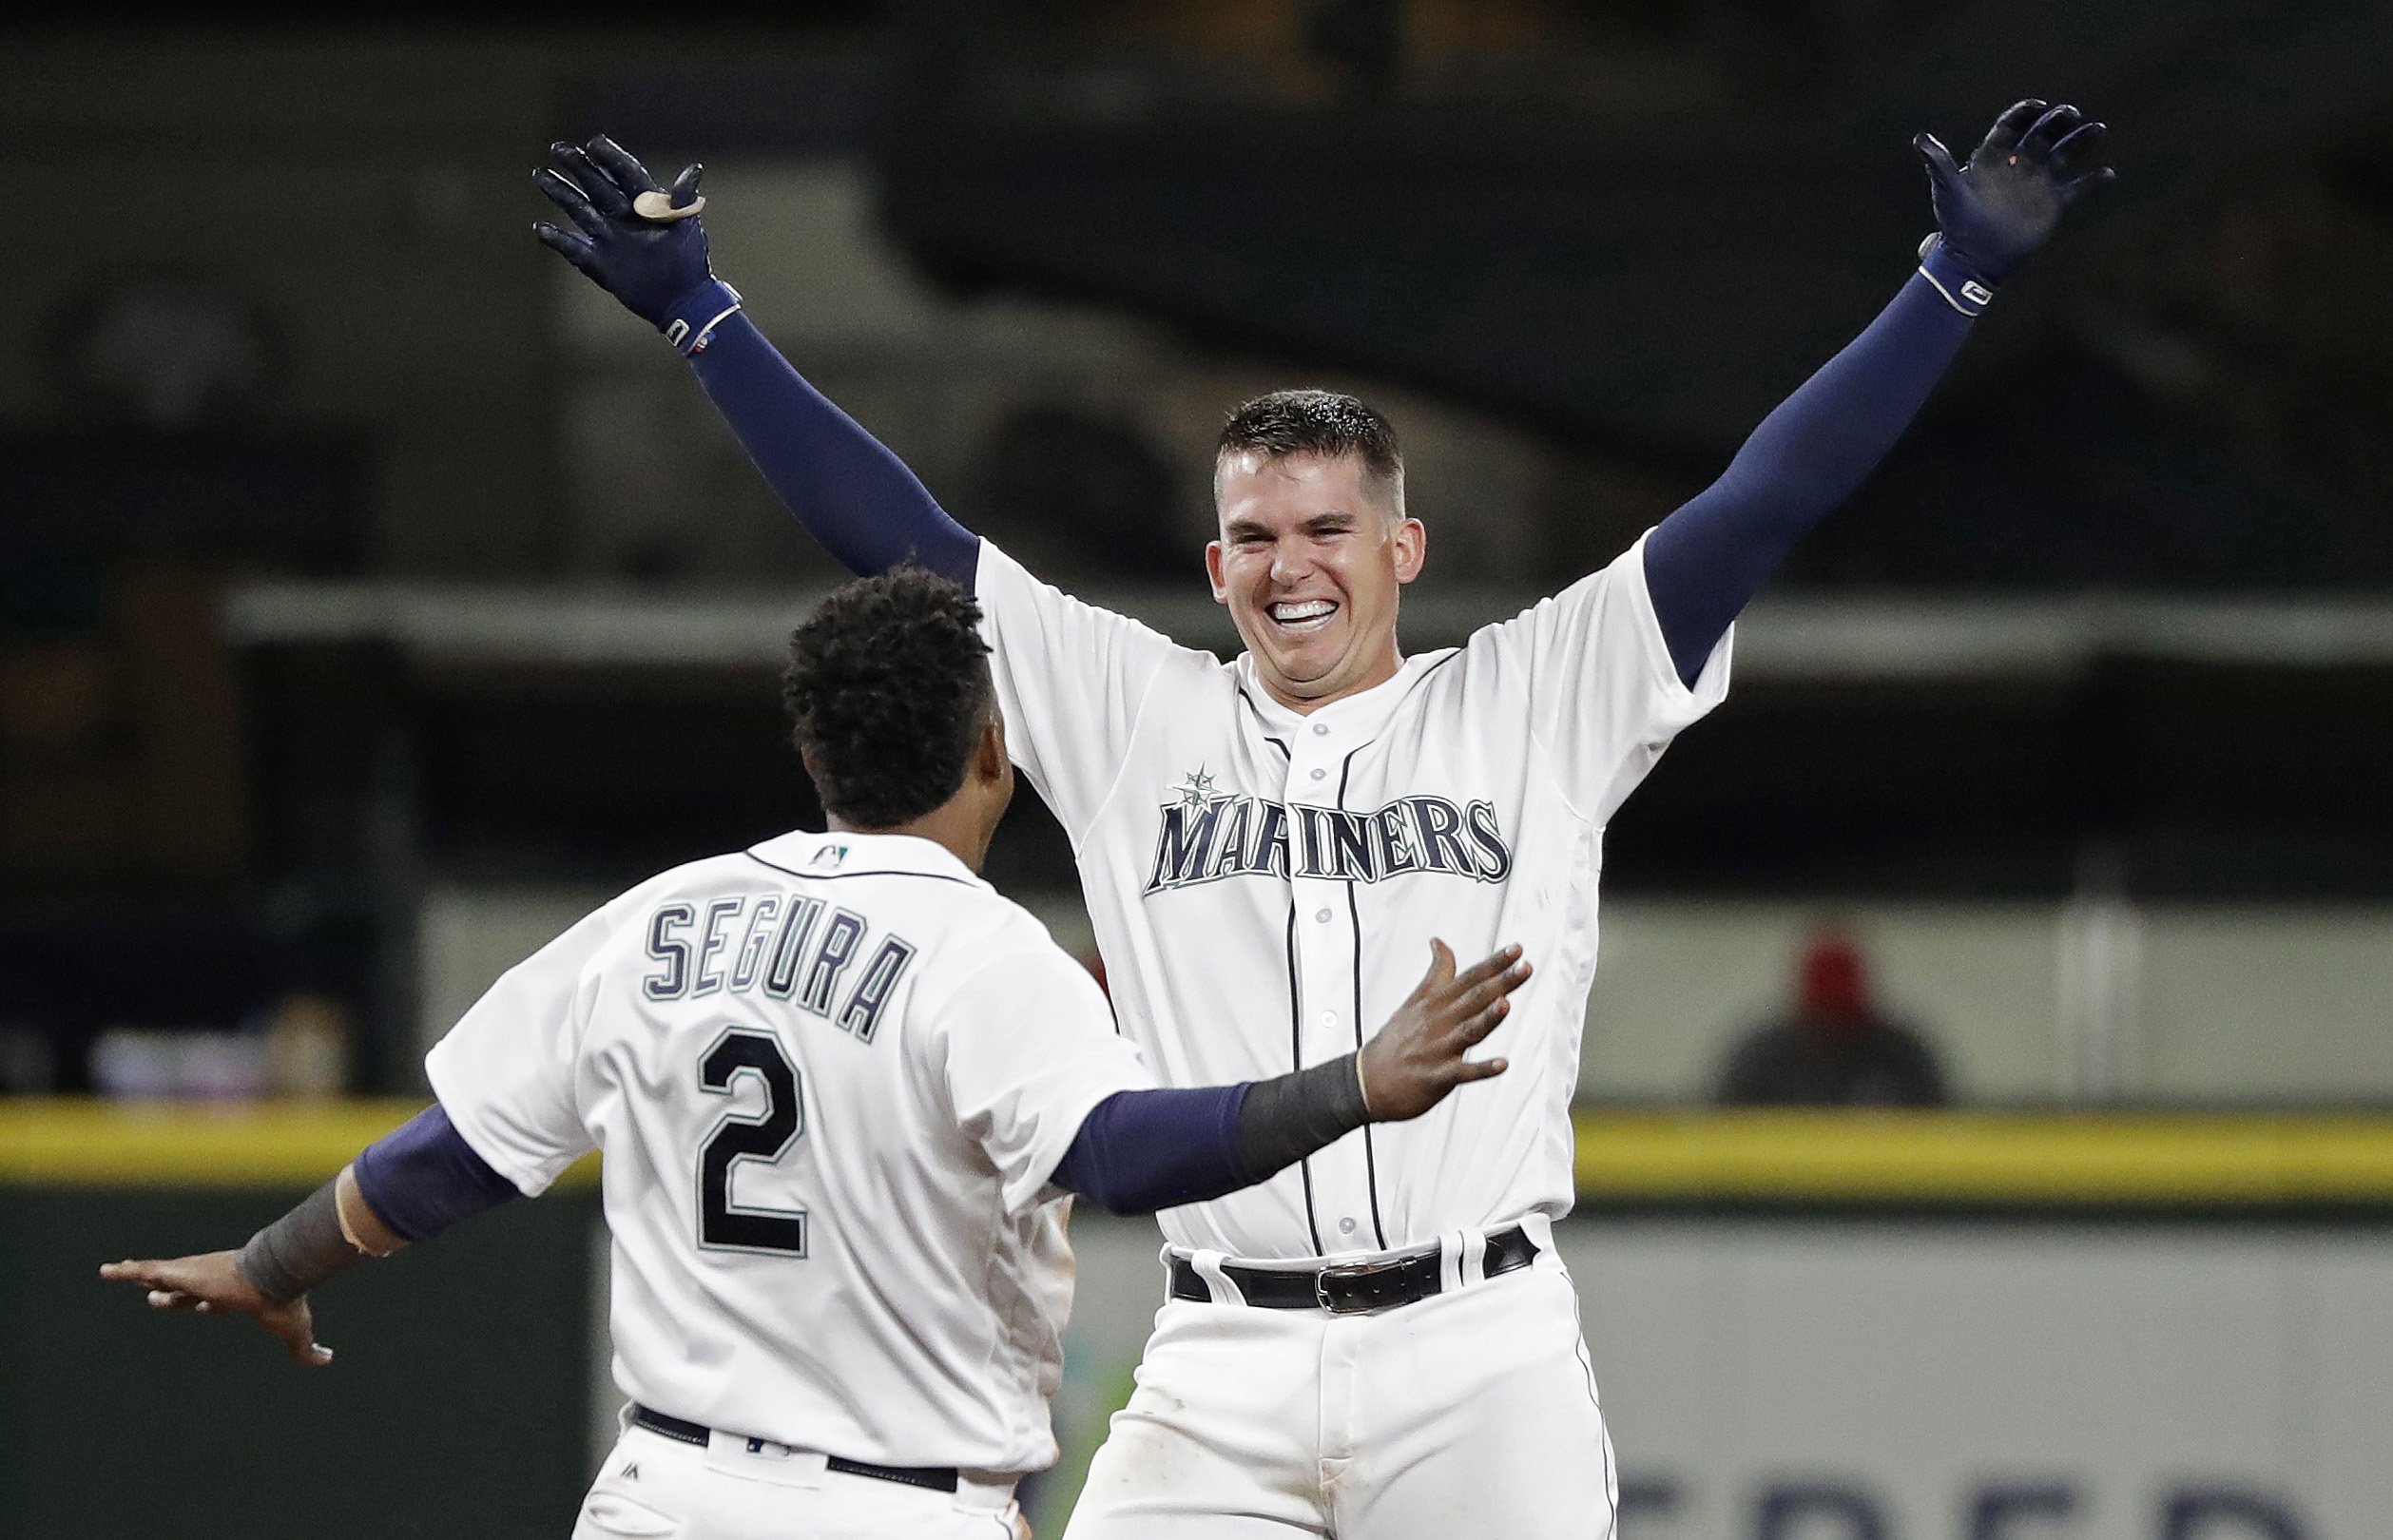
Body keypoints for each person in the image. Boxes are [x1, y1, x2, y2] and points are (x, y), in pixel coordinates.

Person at [531, 100, 2113, 1539]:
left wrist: (1951, 284)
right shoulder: (1132, 710)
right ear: (1214, 565)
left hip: (1476, 1352)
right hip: (1220, 1355)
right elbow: (899, 537)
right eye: (1255, 534)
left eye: (1327, 528)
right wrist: (703, 319)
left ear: (1402, 549)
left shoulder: (1535, 695)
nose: (1290, 563)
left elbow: (1762, 503)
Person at [100, 569, 1532, 1540]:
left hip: (662, 1494)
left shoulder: (658, 920)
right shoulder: (989, 958)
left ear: (814, 757)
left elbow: (460, 1154)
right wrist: (1353, 1087)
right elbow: (1114, 1156)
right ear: (993, 751)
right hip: (896, 1507)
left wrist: (274, 1262)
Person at [1717, 928, 1949, 1107]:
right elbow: (1721, 1126)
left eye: (1843, 1015)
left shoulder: (1900, 1058)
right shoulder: (1763, 1062)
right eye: (1823, 1015)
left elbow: (1944, 1124)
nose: (1833, 1025)